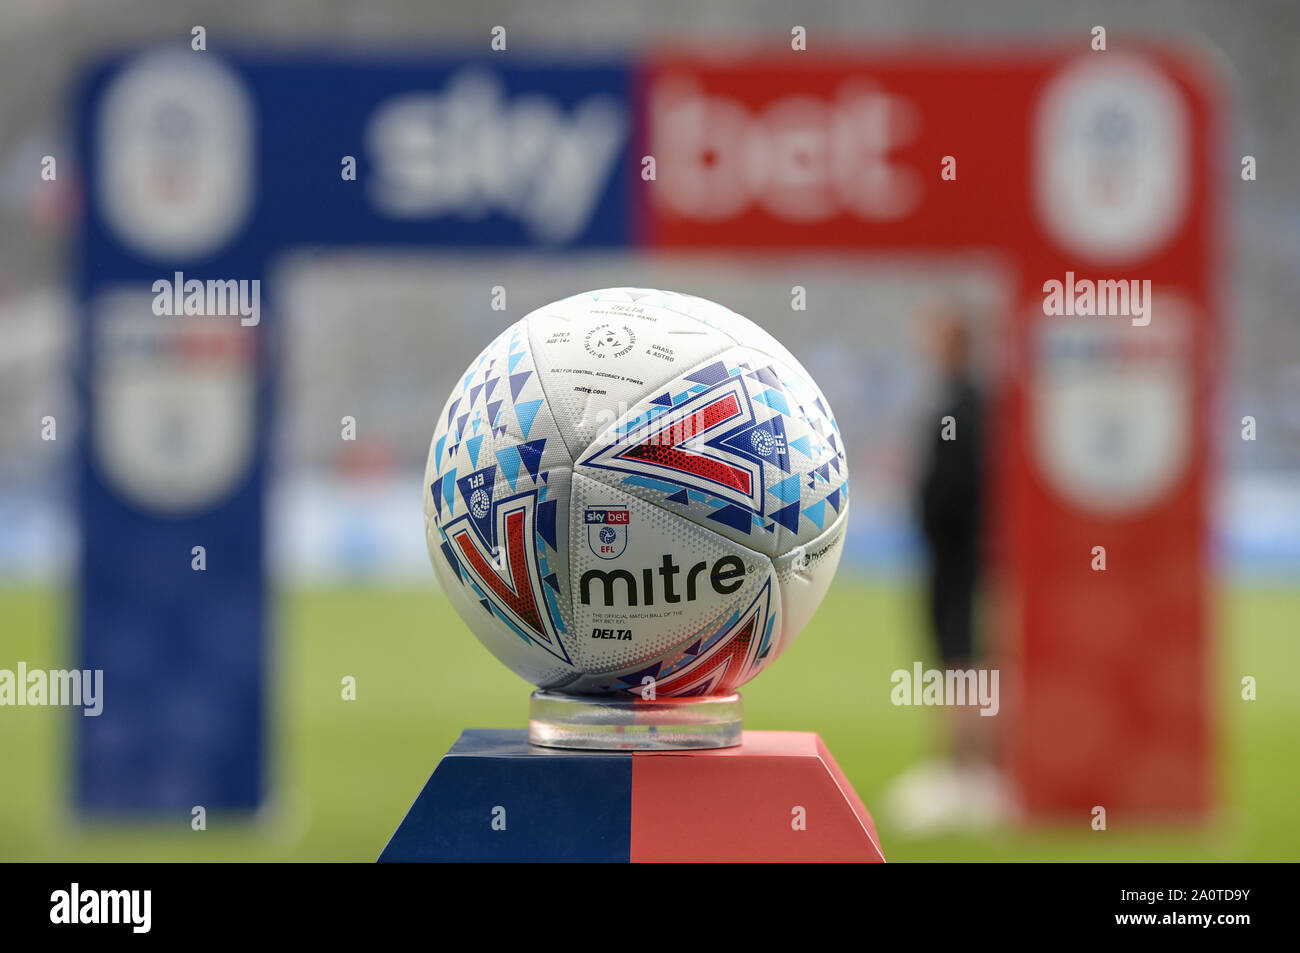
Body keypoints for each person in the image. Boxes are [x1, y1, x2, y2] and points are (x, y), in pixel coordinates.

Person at [882, 304, 1013, 833]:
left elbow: (961, 490)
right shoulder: (964, 402)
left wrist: (937, 522)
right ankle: (968, 770)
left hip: (960, 558)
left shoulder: (967, 405)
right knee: (961, 661)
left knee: (963, 662)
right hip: (958, 556)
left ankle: (970, 772)